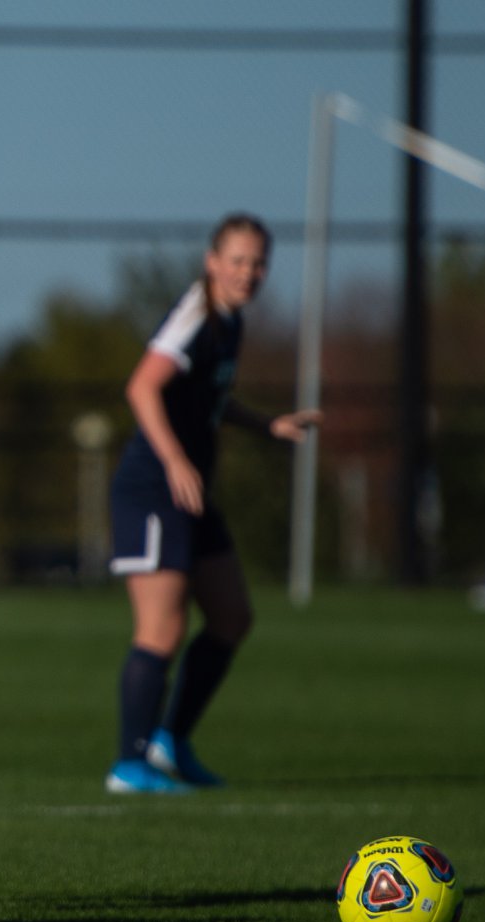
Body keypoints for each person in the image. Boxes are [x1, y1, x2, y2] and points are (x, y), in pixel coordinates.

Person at [105, 213, 318, 794]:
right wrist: (174, 459)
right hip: (153, 490)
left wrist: (266, 425)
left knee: (232, 617)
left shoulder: (230, 322)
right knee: (161, 629)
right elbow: (142, 386)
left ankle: (170, 740)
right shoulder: (197, 315)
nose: (248, 272)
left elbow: (207, 401)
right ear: (212, 261)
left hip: (189, 491)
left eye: (258, 263)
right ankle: (129, 764)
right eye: (238, 260)